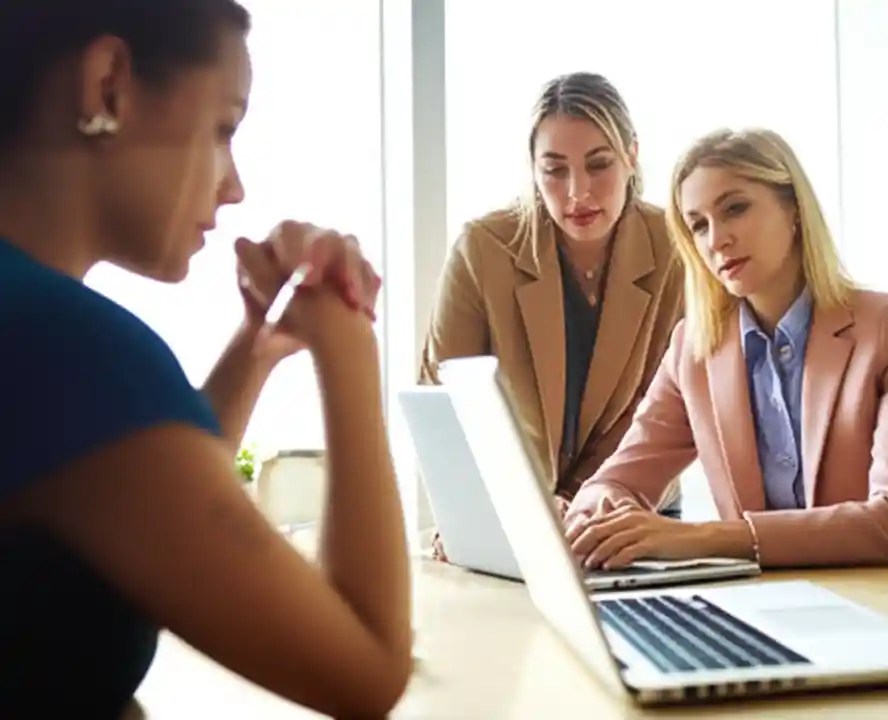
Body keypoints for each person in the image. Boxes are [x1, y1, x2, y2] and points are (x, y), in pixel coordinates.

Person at [0, 2, 412, 716]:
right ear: (109, 86)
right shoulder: (65, 342)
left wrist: (255, 351)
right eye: (224, 127)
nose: (235, 185)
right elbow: (368, 670)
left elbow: (142, 504)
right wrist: (347, 337)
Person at [563, 128, 888, 570]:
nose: (717, 240)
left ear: (794, 210)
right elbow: (616, 481)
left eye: (735, 209)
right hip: (757, 609)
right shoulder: (693, 351)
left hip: (883, 608)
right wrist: (598, 513)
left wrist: (696, 538)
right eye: (698, 225)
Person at [420, 71, 684, 556]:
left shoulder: (677, 248)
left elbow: (670, 414)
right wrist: (476, 508)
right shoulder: (483, 249)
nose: (577, 192)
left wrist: (583, 502)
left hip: (629, 511)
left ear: (632, 155)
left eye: (598, 164)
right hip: (509, 512)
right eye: (555, 170)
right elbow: (445, 402)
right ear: (532, 168)